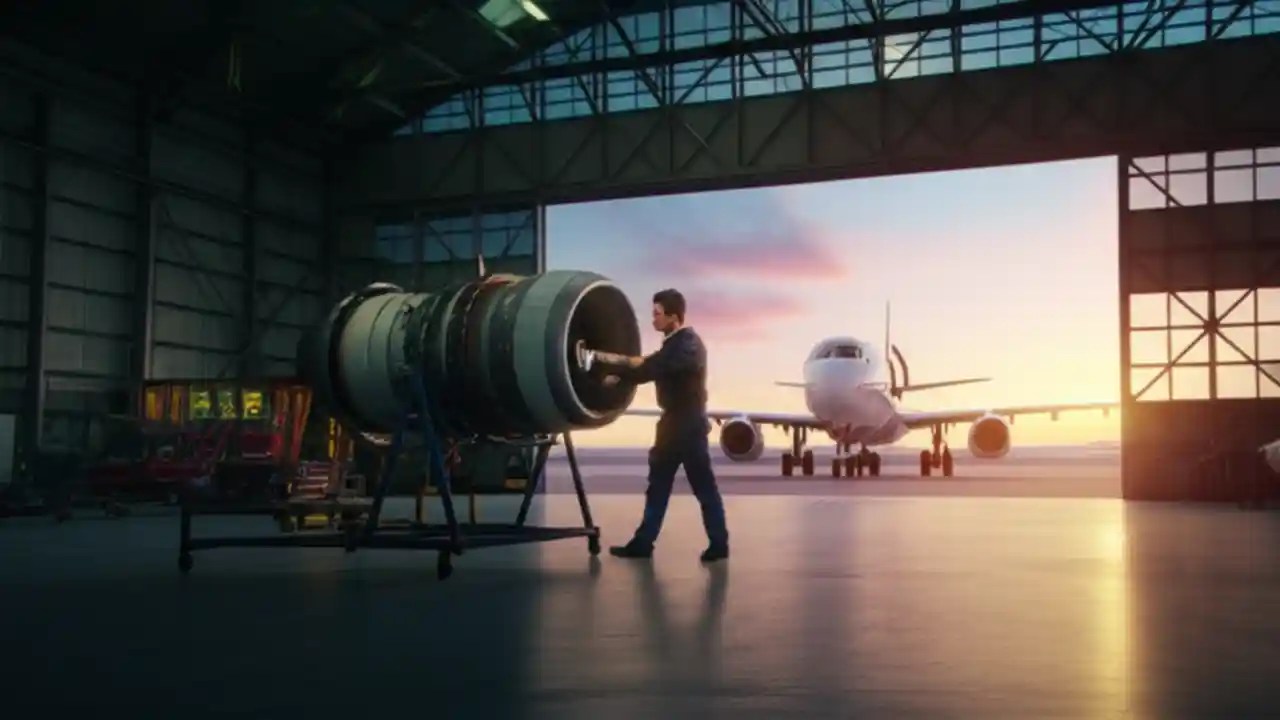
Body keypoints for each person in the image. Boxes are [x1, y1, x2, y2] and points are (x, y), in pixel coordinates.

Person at [587, 288, 729, 562]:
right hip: (671, 425)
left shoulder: (688, 345)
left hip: (687, 426)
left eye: (657, 314)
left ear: (674, 317)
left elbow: (651, 368)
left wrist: (605, 363)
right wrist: (619, 375)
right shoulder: (673, 345)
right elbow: (648, 367)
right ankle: (643, 543)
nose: (653, 320)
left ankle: (719, 544)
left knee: (703, 488)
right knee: (658, 487)